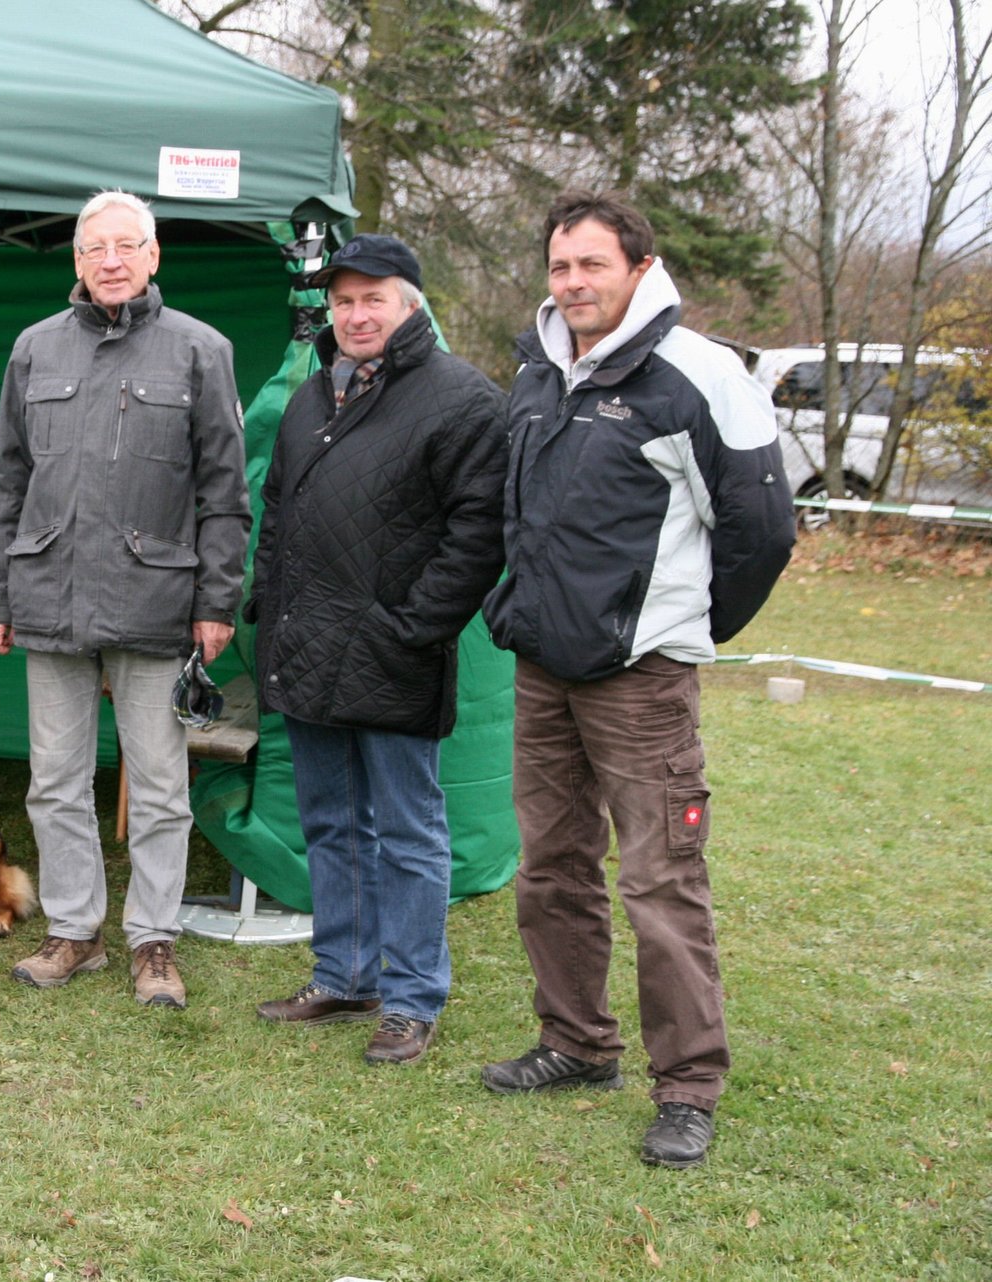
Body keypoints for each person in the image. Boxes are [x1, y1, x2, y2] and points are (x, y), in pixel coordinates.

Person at [480, 190, 794, 1168]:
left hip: (641, 679)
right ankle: (575, 1040)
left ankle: (689, 1084)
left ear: (638, 266)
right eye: (561, 266)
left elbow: (763, 530)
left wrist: (682, 629)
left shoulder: (697, 376)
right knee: (552, 867)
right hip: (543, 670)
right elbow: (517, 510)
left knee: (662, 882)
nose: (573, 283)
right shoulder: (536, 371)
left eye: (592, 266)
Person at [0, 189, 250, 1008]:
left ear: (154, 255)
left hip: (157, 602)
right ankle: (74, 933)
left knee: (161, 785)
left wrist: (218, 600)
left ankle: (154, 939)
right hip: (49, 595)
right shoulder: (33, 349)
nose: (111, 261)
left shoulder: (201, 350)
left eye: (127, 246)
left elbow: (225, 492)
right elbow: (5, 481)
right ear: (76, 260)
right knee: (55, 780)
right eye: (95, 248)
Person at [246, 235, 508, 1066]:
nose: (355, 315)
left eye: (374, 299)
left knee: (408, 832)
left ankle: (411, 997)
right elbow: (279, 516)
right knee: (330, 822)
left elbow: (478, 535)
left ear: (411, 305)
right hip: (309, 647)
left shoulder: (464, 401)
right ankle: (344, 974)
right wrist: (271, 609)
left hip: (394, 655)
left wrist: (414, 628)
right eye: (343, 301)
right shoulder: (310, 398)